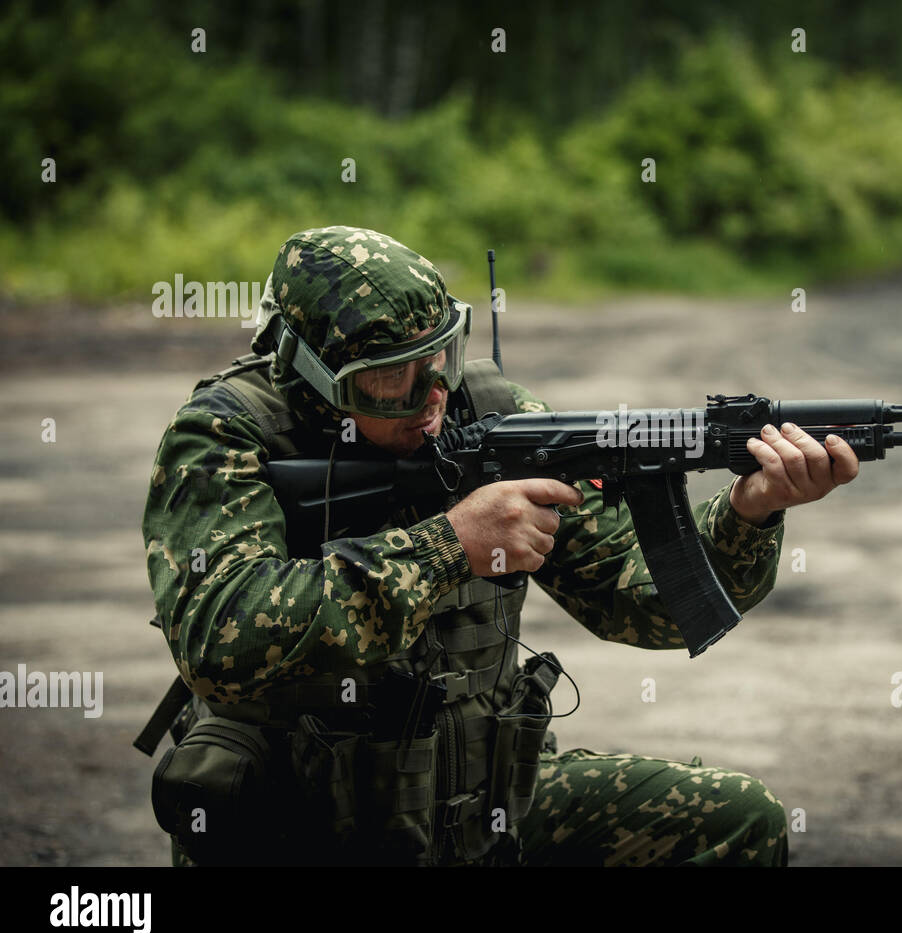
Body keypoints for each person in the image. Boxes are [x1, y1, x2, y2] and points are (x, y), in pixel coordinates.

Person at [141, 225, 861, 866]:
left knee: (734, 824)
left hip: (483, 809)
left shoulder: (486, 414)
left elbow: (646, 602)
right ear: (312, 375)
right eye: (390, 380)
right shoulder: (227, 438)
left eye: (440, 360)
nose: (430, 400)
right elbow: (220, 642)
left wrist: (750, 511)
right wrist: (449, 546)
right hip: (309, 831)